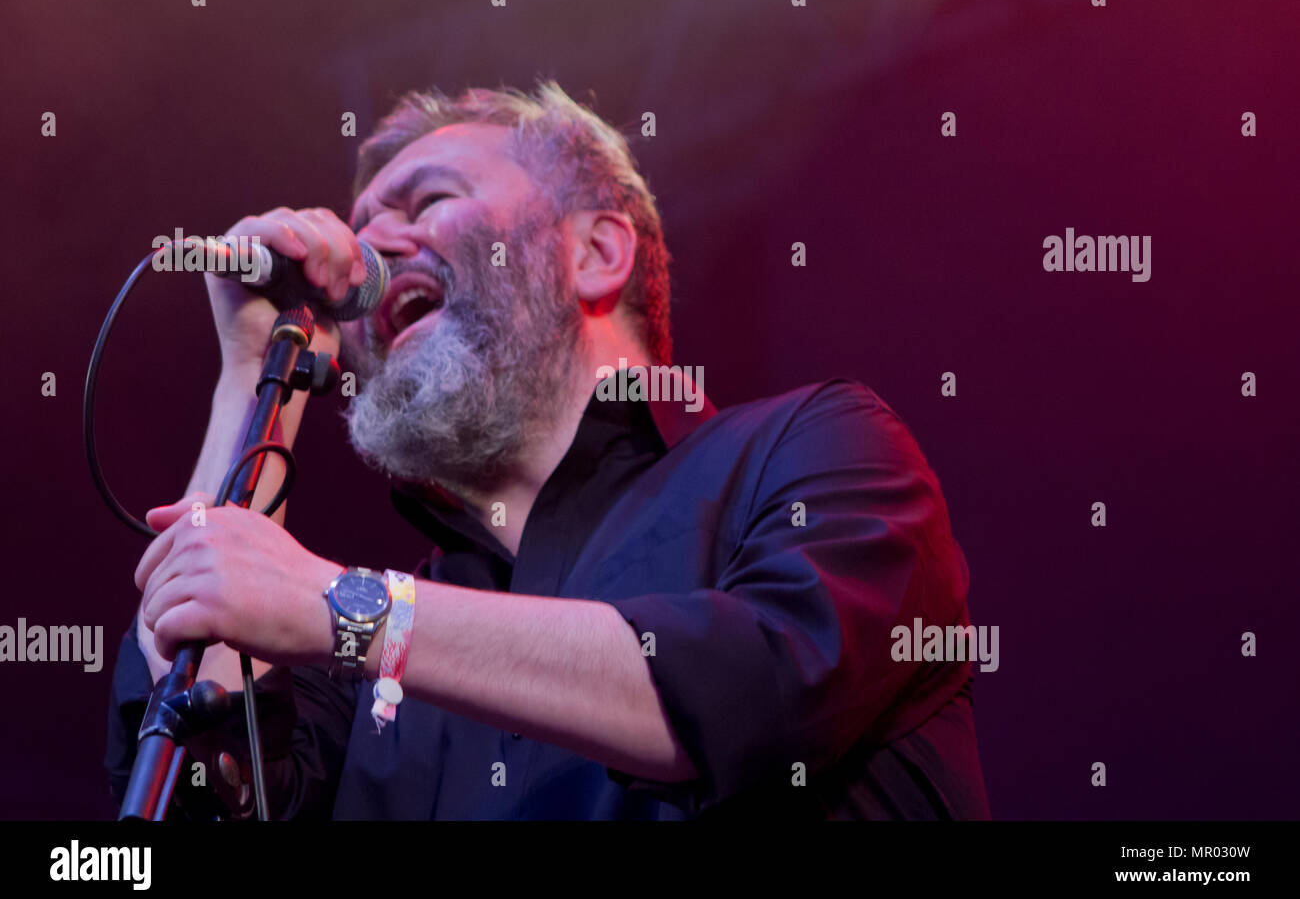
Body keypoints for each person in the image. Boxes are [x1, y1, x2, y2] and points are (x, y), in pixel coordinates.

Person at [106, 81, 991, 819]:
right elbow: (192, 795)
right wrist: (253, 372)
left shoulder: (810, 447)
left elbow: (752, 696)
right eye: (363, 226)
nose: (370, 247)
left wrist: (349, 610)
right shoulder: (359, 661)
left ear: (597, 252)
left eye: (429, 201)